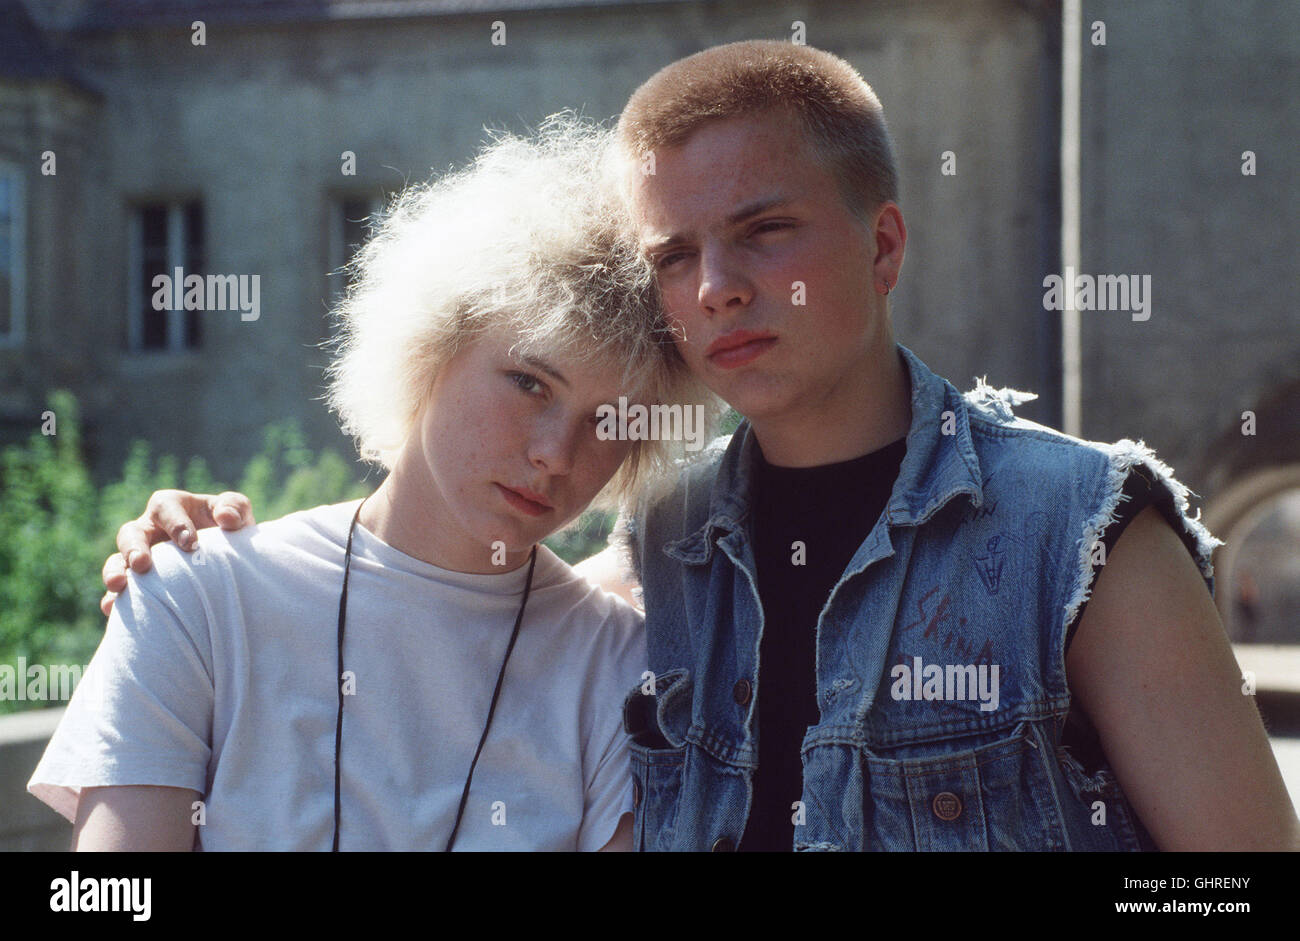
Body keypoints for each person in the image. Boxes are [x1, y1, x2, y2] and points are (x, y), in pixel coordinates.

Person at [99, 42, 1300, 851]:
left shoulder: (1072, 527)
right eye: (675, 254)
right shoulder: (665, 555)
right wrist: (191, 556)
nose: (719, 287)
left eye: (765, 232)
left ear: (882, 247)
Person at [31, 114, 716, 851]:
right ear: (430, 344)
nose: (555, 452)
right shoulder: (197, 597)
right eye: (528, 382)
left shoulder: (622, 670)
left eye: (608, 422)